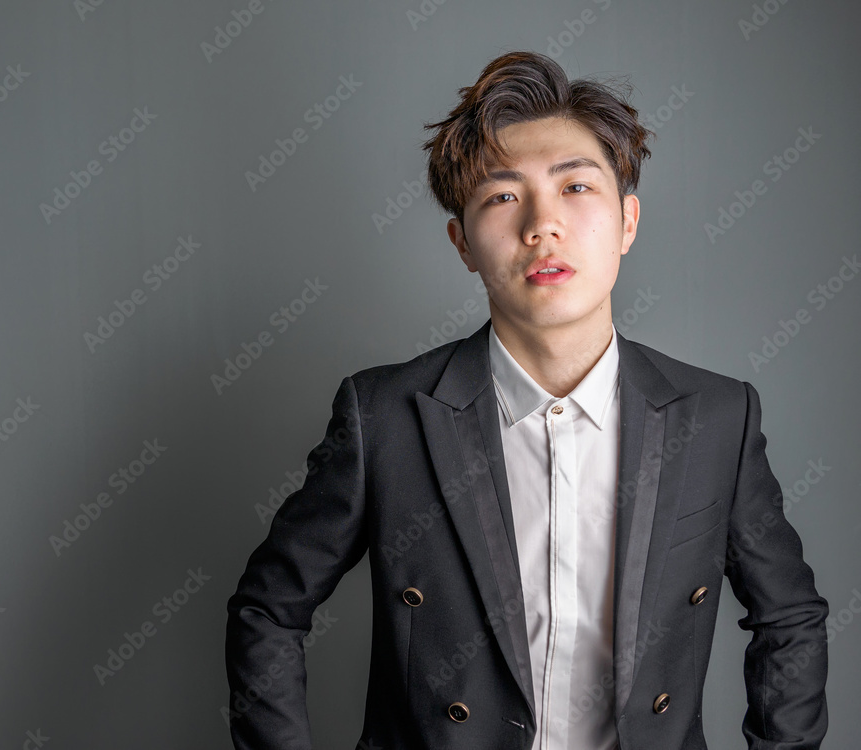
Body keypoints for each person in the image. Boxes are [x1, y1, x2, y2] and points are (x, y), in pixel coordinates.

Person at [225, 50, 829, 750]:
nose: (543, 224)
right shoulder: (383, 415)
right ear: (463, 244)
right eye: (503, 196)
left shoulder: (718, 418)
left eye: (576, 187)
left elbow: (790, 619)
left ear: (628, 222)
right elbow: (268, 610)